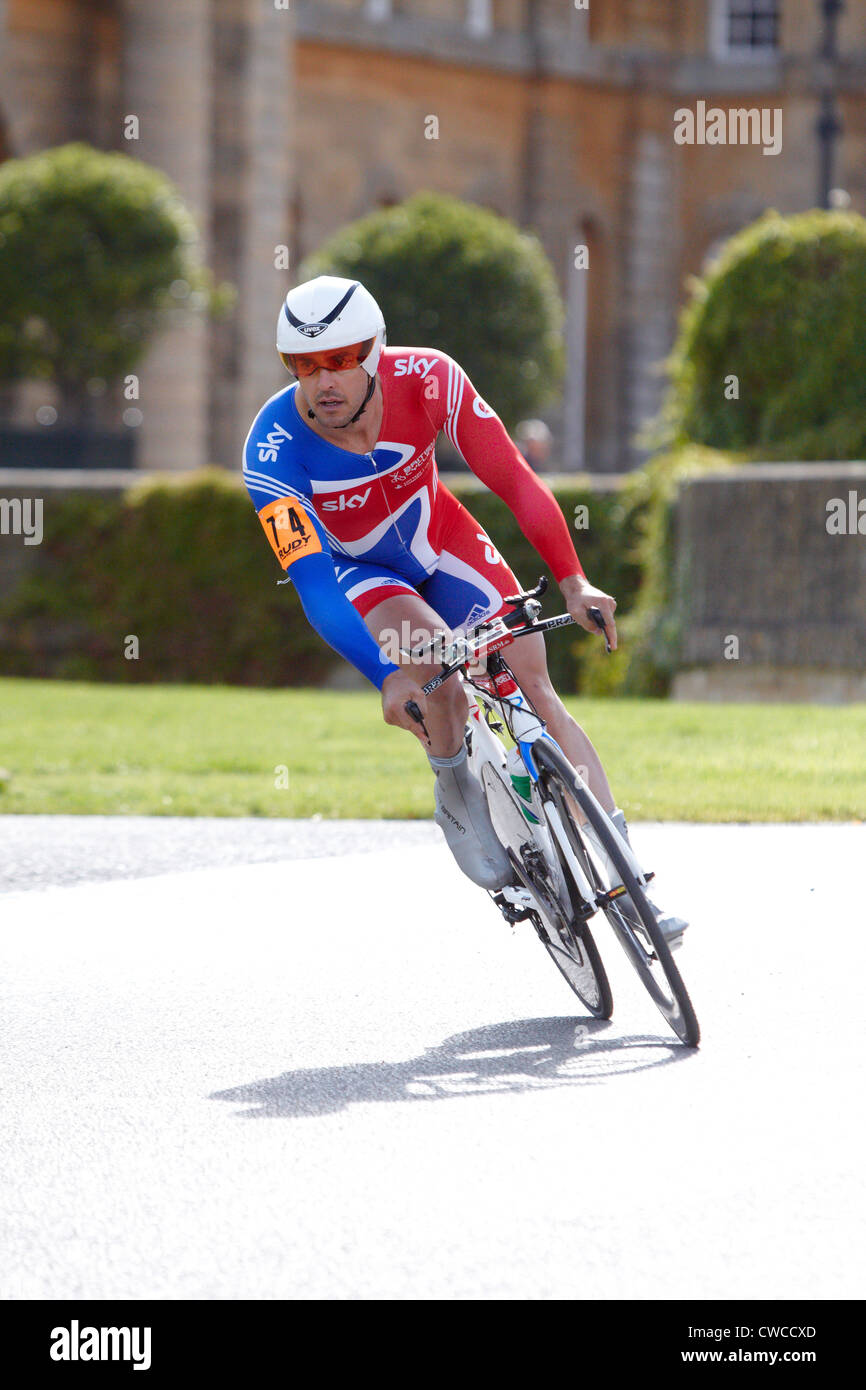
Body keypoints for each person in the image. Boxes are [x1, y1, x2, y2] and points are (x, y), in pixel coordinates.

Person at [242, 275, 686, 948]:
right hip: (363, 576)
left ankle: (629, 884)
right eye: (302, 364)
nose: (322, 380)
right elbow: (312, 583)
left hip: (440, 539)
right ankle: (455, 783)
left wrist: (574, 581)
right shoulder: (268, 453)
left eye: (339, 359)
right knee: (440, 684)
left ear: (375, 352)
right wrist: (386, 676)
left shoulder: (431, 379)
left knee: (531, 679)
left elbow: (511, 477)